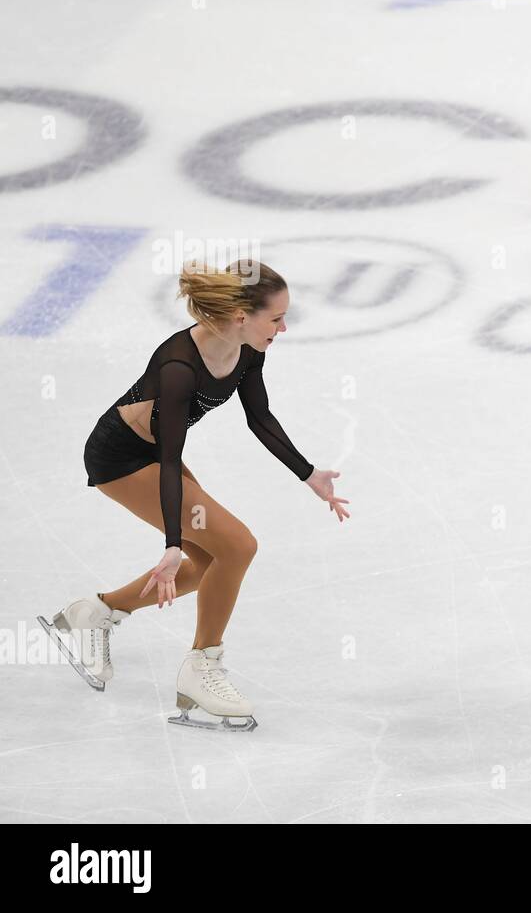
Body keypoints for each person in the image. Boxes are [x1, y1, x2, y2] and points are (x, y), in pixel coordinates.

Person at [39, 259, 350, 731]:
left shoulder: (247, 347)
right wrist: (170, 543)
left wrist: (308, 474)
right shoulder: (179, 366)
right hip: (121, 460)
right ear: (243, 315)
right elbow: (168, 458)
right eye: (277, 318)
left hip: (151, 455)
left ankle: (97, 612)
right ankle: (201, 667)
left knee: (210, 561)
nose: (284, 327)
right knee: (238, 545)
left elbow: (259, 417)